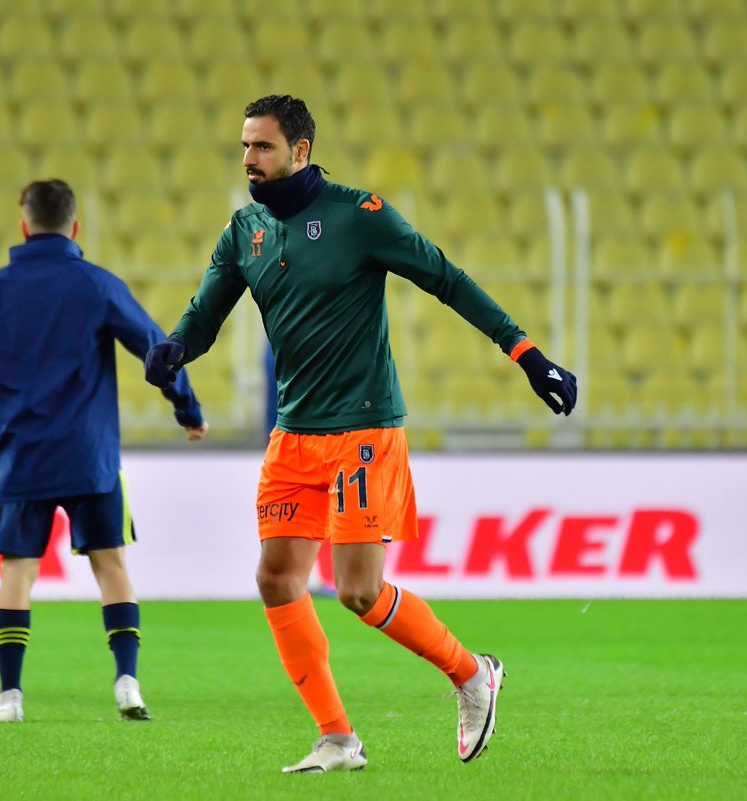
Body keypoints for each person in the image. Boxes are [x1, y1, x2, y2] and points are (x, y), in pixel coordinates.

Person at [144, 96, 577, 772]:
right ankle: (337, 738)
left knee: (357, 590)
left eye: (262, 146)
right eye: (245, 146)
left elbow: (446, 278)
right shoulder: (245, 229)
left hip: (363, 426)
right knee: (276, 578)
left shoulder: (358, 215)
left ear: (301, 151)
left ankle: (472, 674)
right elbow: (205, 316)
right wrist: (174, 347)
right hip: (293, 434)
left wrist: (526, 353)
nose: (249, 159)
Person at [0, 180, 208, 723]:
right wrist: (187, 408)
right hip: (90, 454)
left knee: (18, 571)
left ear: (23, 225)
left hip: (24, 454)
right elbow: (156, 348)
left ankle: (9, 696)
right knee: (111, 565)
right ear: (75, 227)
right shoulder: (97, 285)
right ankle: (128, 684)